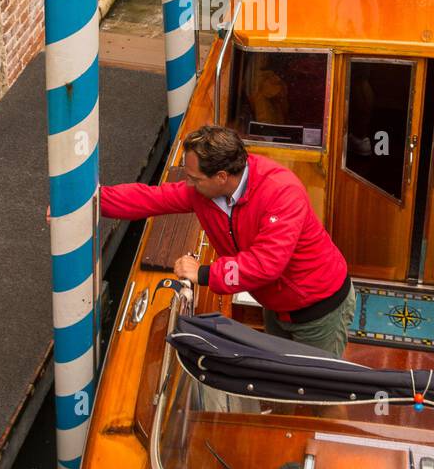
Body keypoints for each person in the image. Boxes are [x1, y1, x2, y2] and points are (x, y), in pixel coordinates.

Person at [100, 124, 355, 358]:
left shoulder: (281, 192)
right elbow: (152, 198)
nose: (188, 183)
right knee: (284, 382)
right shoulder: (204, 191)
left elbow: (266, 264)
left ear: (221, 176)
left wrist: (204, 273)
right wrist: (95, 200)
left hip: (319, 312)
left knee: (318, 399)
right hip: (277, 306)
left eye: (195, 178)